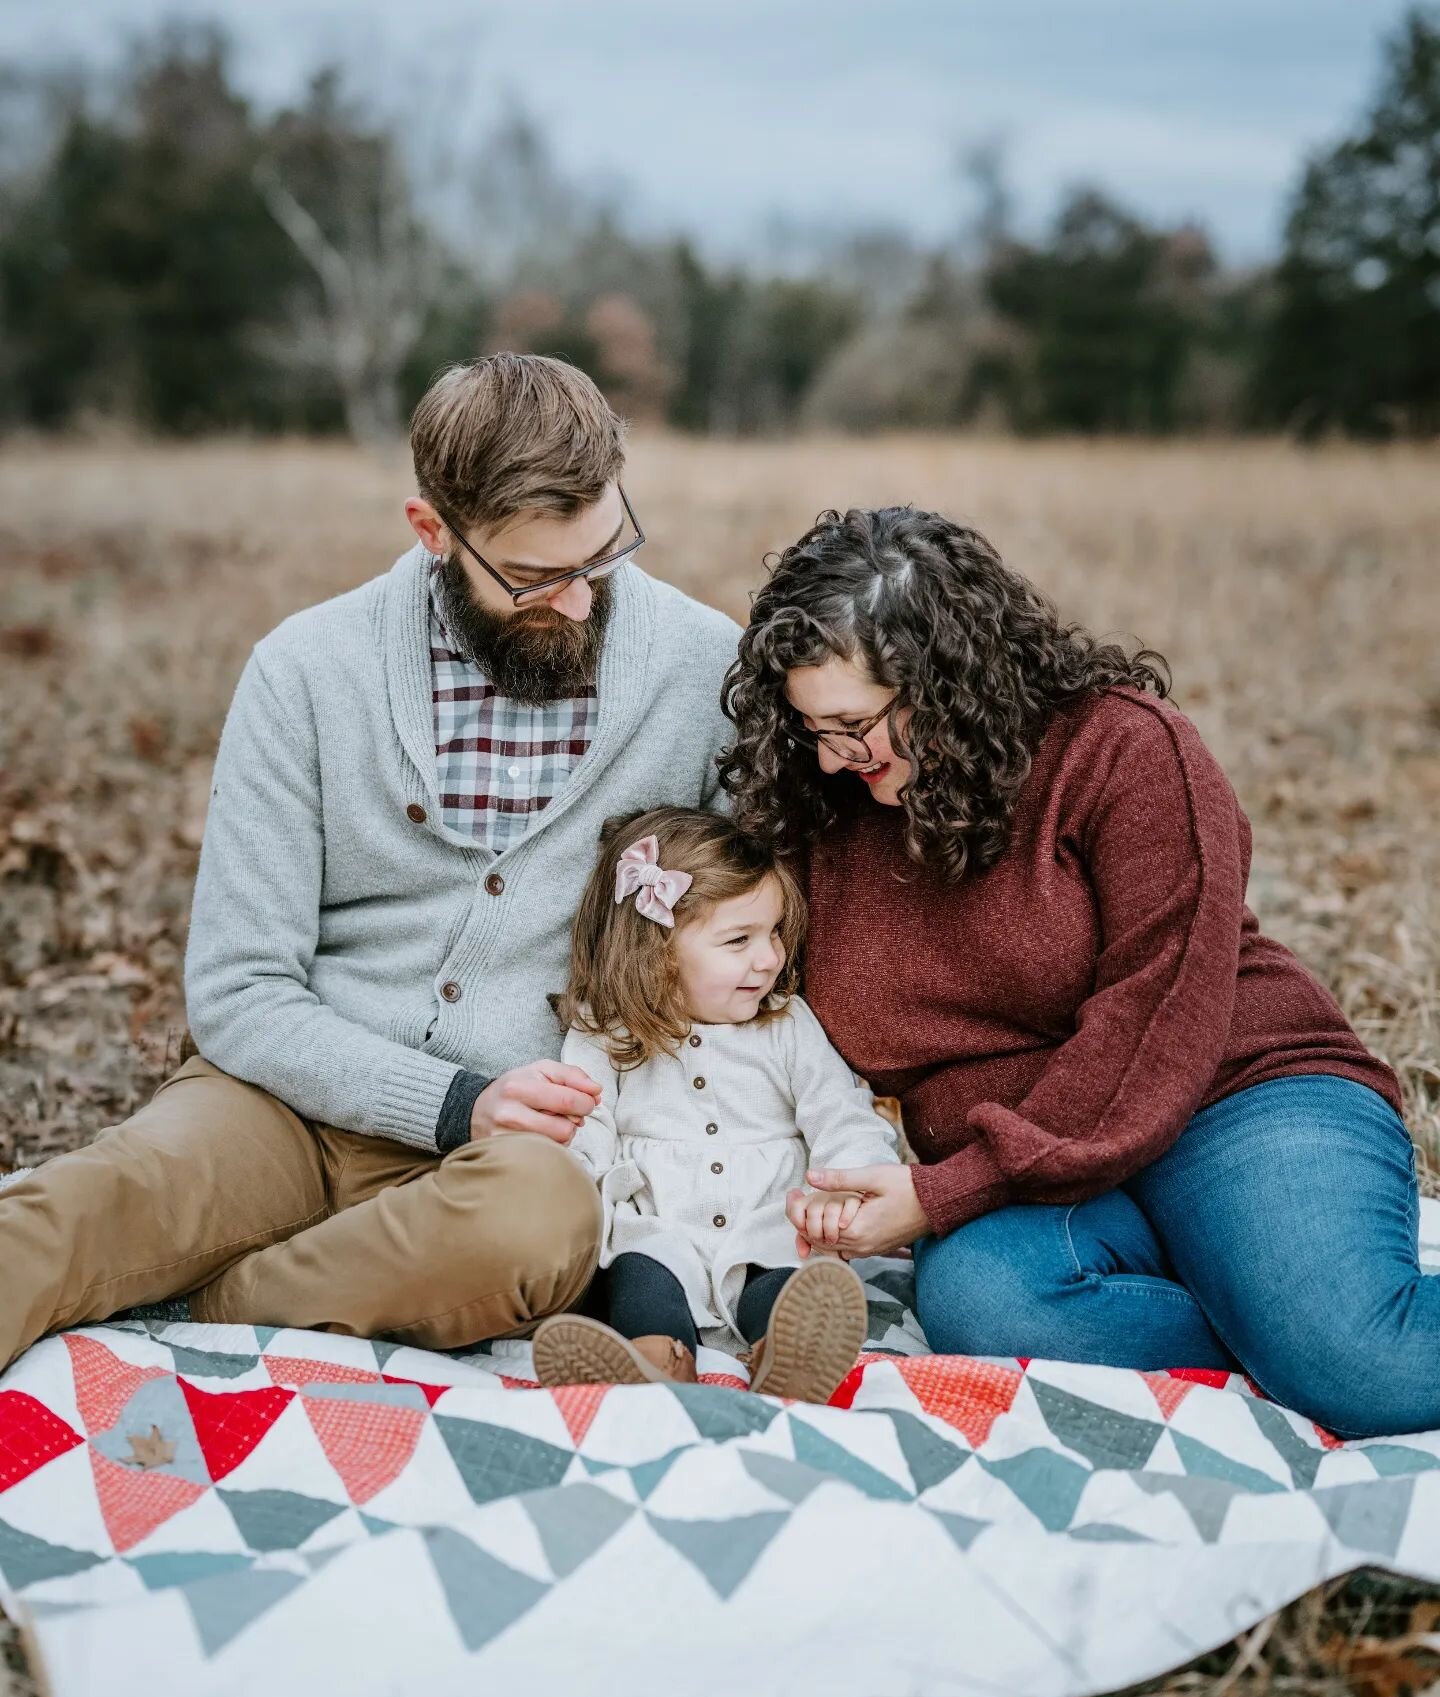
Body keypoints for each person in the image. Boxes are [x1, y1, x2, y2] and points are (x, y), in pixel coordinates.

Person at [0, 355, 740, 1373]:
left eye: (604, 554)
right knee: (79, 1208)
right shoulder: (305, 670)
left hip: (514, 1157)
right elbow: (240, 988)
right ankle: (233, 1267)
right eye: (533, 577)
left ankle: (217, 1302)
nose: (577, 601)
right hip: (278, 1105)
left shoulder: (706, 671)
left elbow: (755, 931)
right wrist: (442, 1100)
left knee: (540, 1224)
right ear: (433, 531)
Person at [717, 504, 1435, 1440]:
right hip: (1039, 1176)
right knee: (985, 1305)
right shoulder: (826, 808)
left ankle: (1296, 1318)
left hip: (1236, 1101)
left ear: (942, 680)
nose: (831, 755)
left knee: (1359, 1363)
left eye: (855, 724)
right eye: (811, 727)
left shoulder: (1123, 750)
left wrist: (941, 1192)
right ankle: (1266, 1311)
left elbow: (1154, 1022)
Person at [531, 807, 887, 1402]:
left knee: (788, 1279)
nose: (769, 958)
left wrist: (843, 1186)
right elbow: (584, 1122)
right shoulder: (607, 1031)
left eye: (774, 932)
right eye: (739, 940)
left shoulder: (786, 1022)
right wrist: (568, 1189)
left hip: (770, 1219)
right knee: (641, 1275)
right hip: (660, 1220)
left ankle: (785, 1353)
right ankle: (652, 1362)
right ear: (660, 952)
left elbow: (838, 1110)